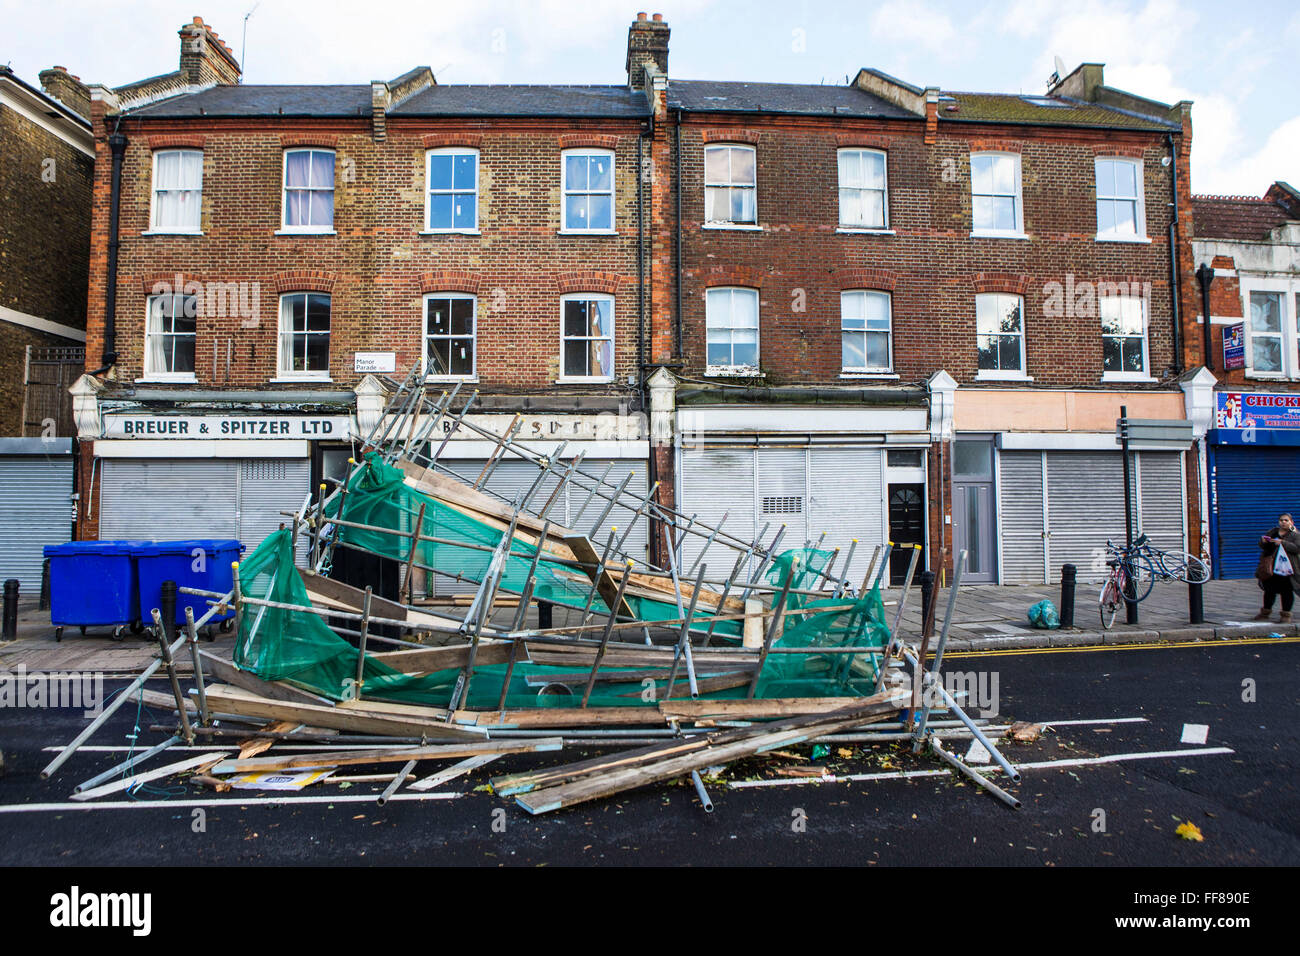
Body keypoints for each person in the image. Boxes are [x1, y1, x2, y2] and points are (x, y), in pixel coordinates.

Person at [1254, 513, 1300, 623]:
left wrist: (1283, 543)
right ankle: (1265, 612)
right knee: (1269, 590)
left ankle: (1285, 615)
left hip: (1287, 568)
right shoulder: (1273, 532)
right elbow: (1263, 546)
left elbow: (1297, 548)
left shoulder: (1295, 535)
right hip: (1272, 566)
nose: (1283, 522)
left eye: (1286, 520)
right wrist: (1263, 541)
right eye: (1281, 520)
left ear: (1291, 522)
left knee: (1287, 592)